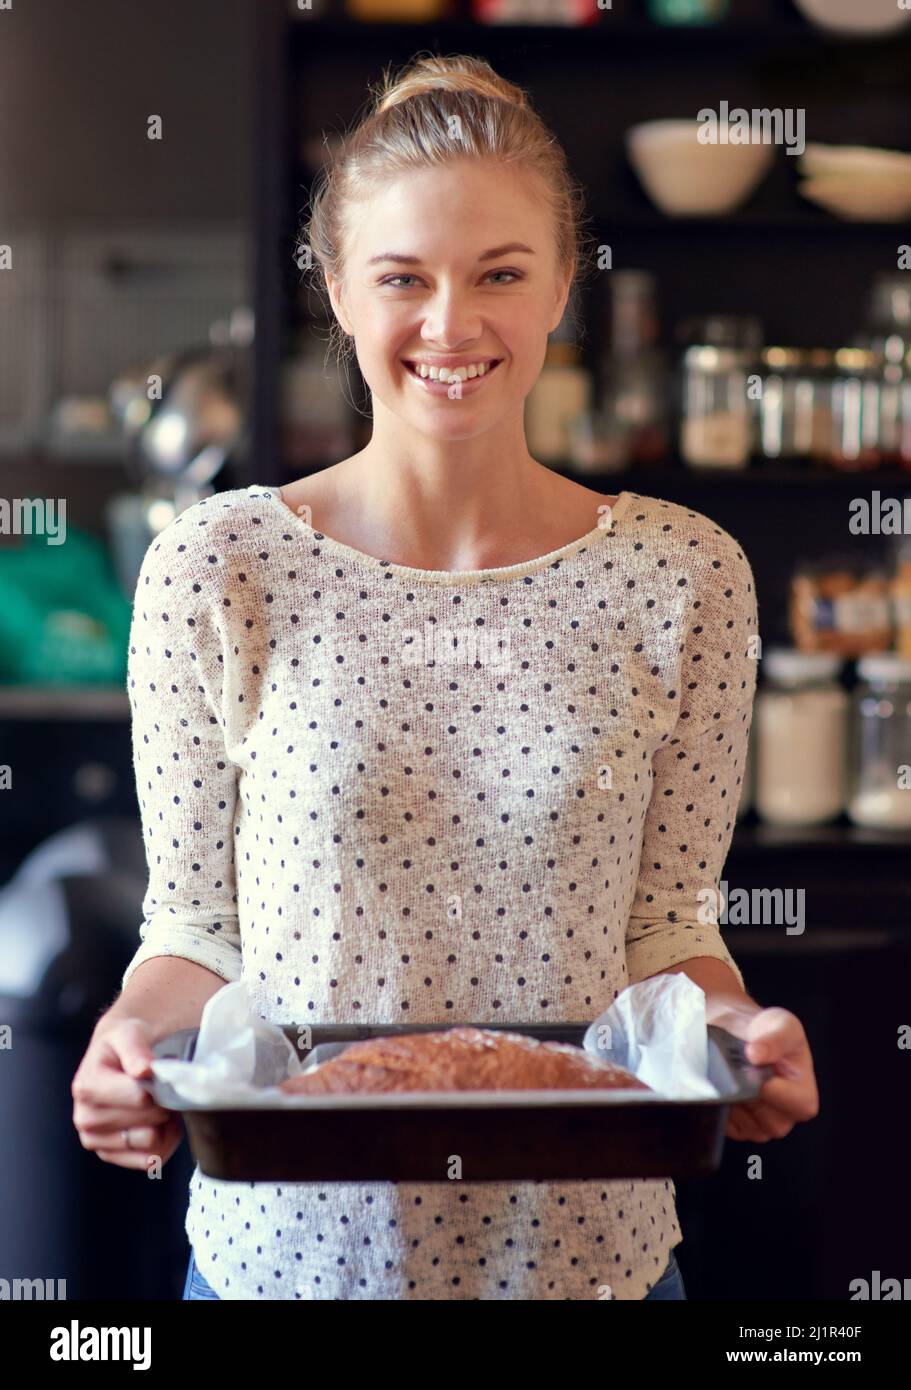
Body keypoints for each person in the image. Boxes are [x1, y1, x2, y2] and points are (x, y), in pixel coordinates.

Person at [71, 53, 818, 1301]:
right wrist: (133, 1043)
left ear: (562, 288)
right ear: (337, 293)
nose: (451, 325)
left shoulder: (685, 575)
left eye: (500, 275)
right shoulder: (219, 566)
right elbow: (198, 928)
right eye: (403, 278)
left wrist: (735, 1038)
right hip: (290, 1262)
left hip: (588, 1263)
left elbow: (665, 926)